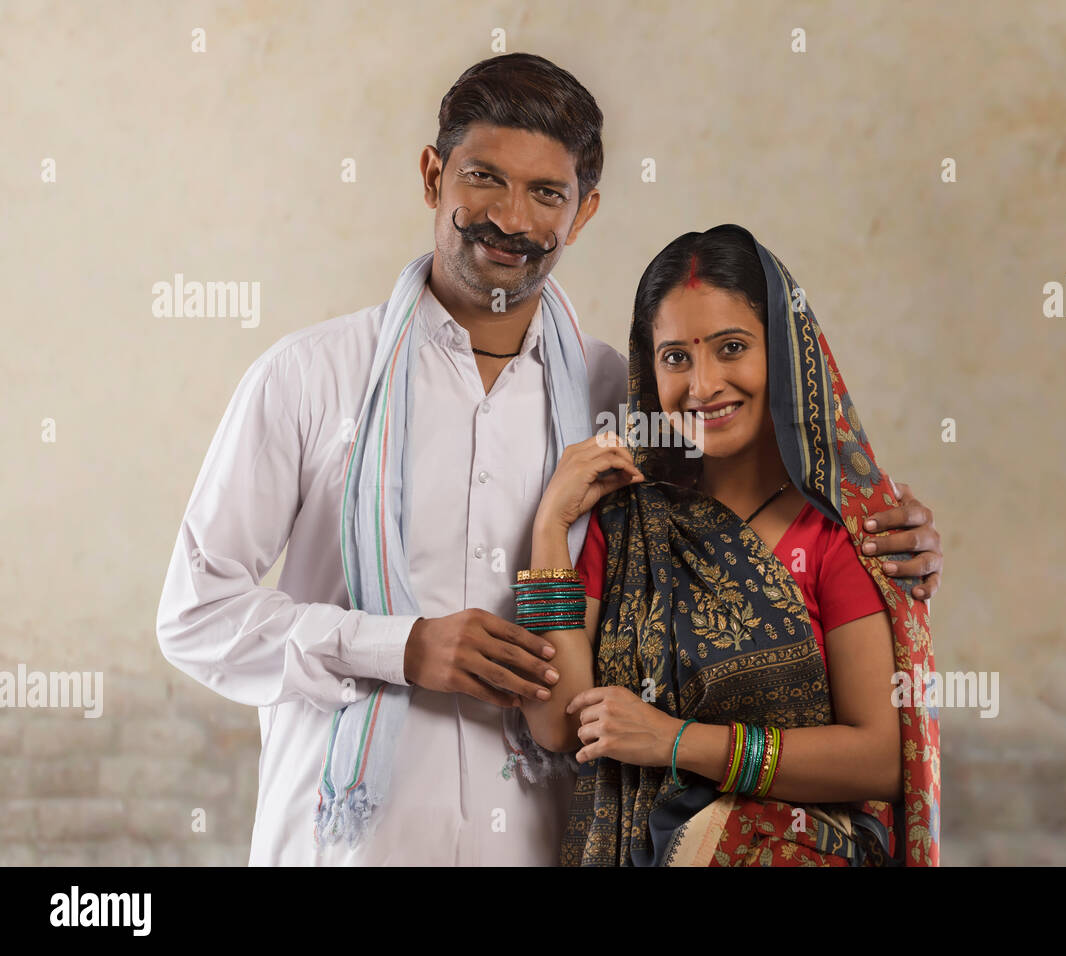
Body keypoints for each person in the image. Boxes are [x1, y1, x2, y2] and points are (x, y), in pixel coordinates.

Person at [156, 53, 944, 866]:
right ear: (434, 176)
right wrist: (399, 646)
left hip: (549, 838)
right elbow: (193, 615)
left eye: (546, 193)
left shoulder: (619, 396)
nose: (511, 217)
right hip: (350, 840)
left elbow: (748, 541)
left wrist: (897, 549)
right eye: (483, 178)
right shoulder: (310, 377)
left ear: (585, 210)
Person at [519, 224, 940, 865]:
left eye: (732, 347)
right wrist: (550, 526)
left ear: (786, 355)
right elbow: (557, 725)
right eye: (675, 357)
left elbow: (881, 758)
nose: (703, 385)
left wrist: (676, 741)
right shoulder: (626, 523)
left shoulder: (842, 533)